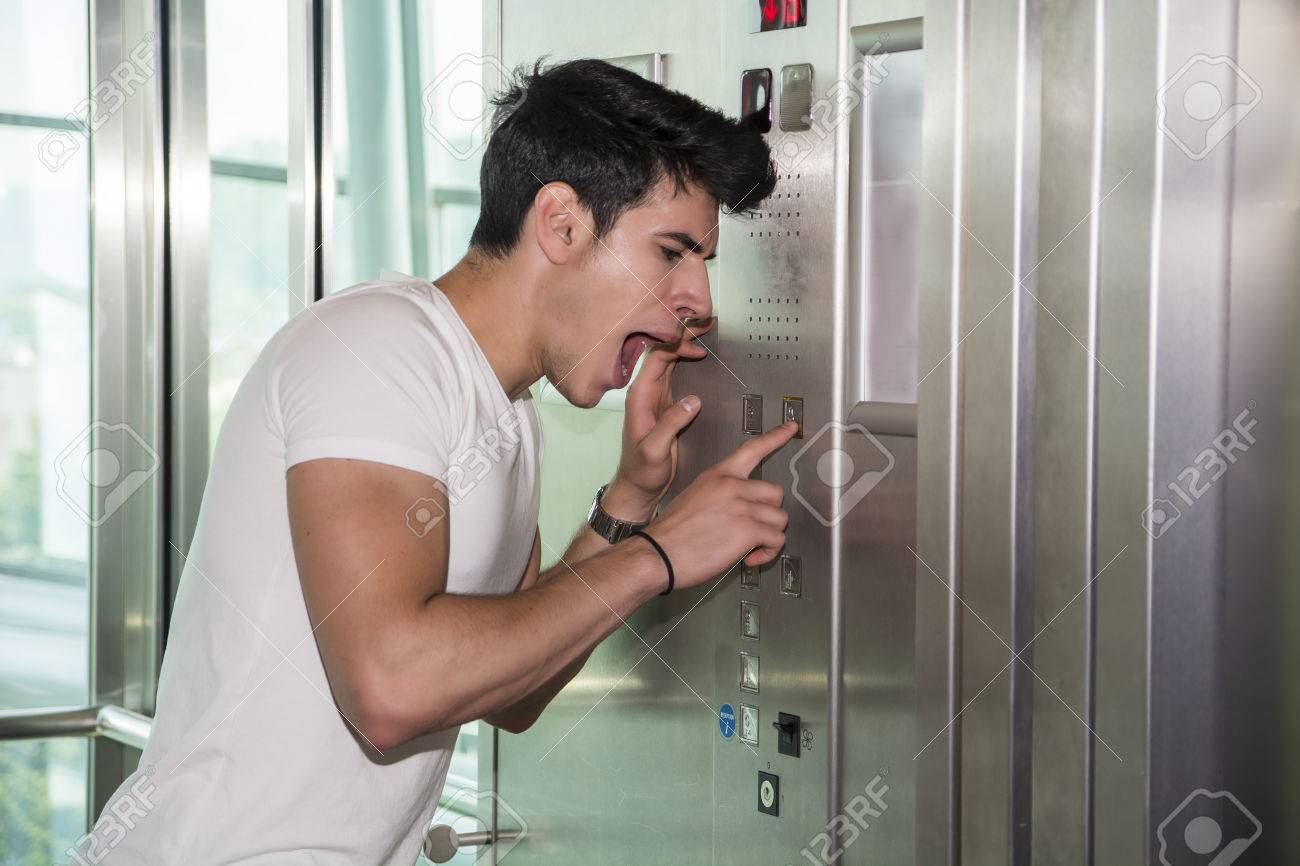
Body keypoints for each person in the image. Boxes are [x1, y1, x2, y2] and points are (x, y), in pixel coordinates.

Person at [98, 58, 795, 864]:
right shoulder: (376, 350)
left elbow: (514, 691)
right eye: (673, 252)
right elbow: (391, 688)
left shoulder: (510, 414)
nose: (699, 301)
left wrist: (630, 504)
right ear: (561, 223)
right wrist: (658, 556)